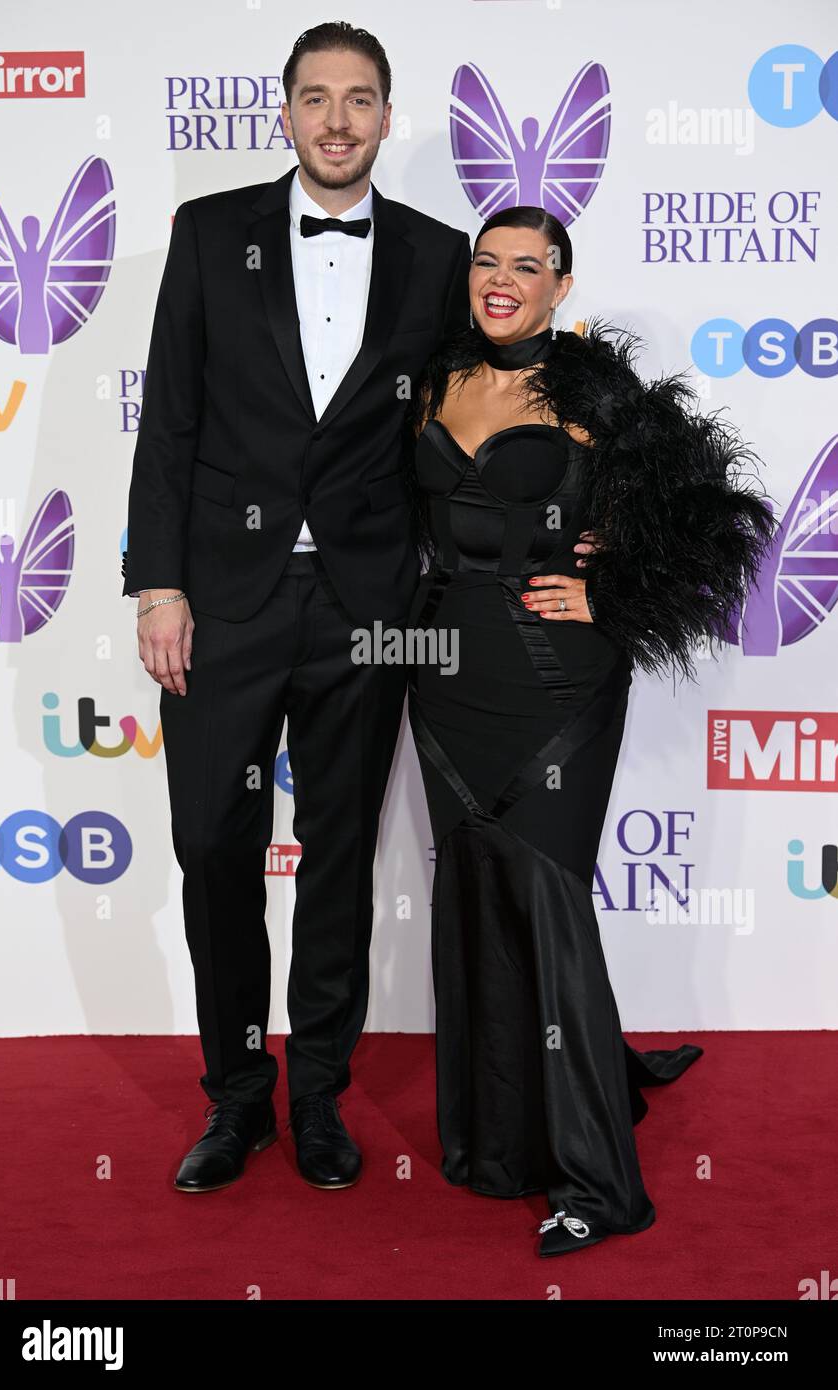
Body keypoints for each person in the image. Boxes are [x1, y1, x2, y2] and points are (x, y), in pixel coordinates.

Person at [120, 21, 477, 1194]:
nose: (335, 119)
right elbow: (169, 415)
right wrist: (158, 584)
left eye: (359, 99)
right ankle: (237, 1098)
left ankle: (316, 1094)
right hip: (221, 602)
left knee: (336, 856)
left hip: (370, 605)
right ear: (282, 113)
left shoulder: (436, 253)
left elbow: (461, 424)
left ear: (387, 117)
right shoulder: (212, 233)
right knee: (212, 844)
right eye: (315, 97)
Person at [405, 206, 776, 1255]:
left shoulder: (594, 391)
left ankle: (596, 1183)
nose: (501, 280)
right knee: (472, 888)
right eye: (487, 262)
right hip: (440, 671)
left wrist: (606, 588)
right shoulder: (434, 378)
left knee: (549, 899)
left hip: (553, 676)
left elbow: (712, 524)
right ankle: (496, 1145)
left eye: (526, 266)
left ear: (560, 285)